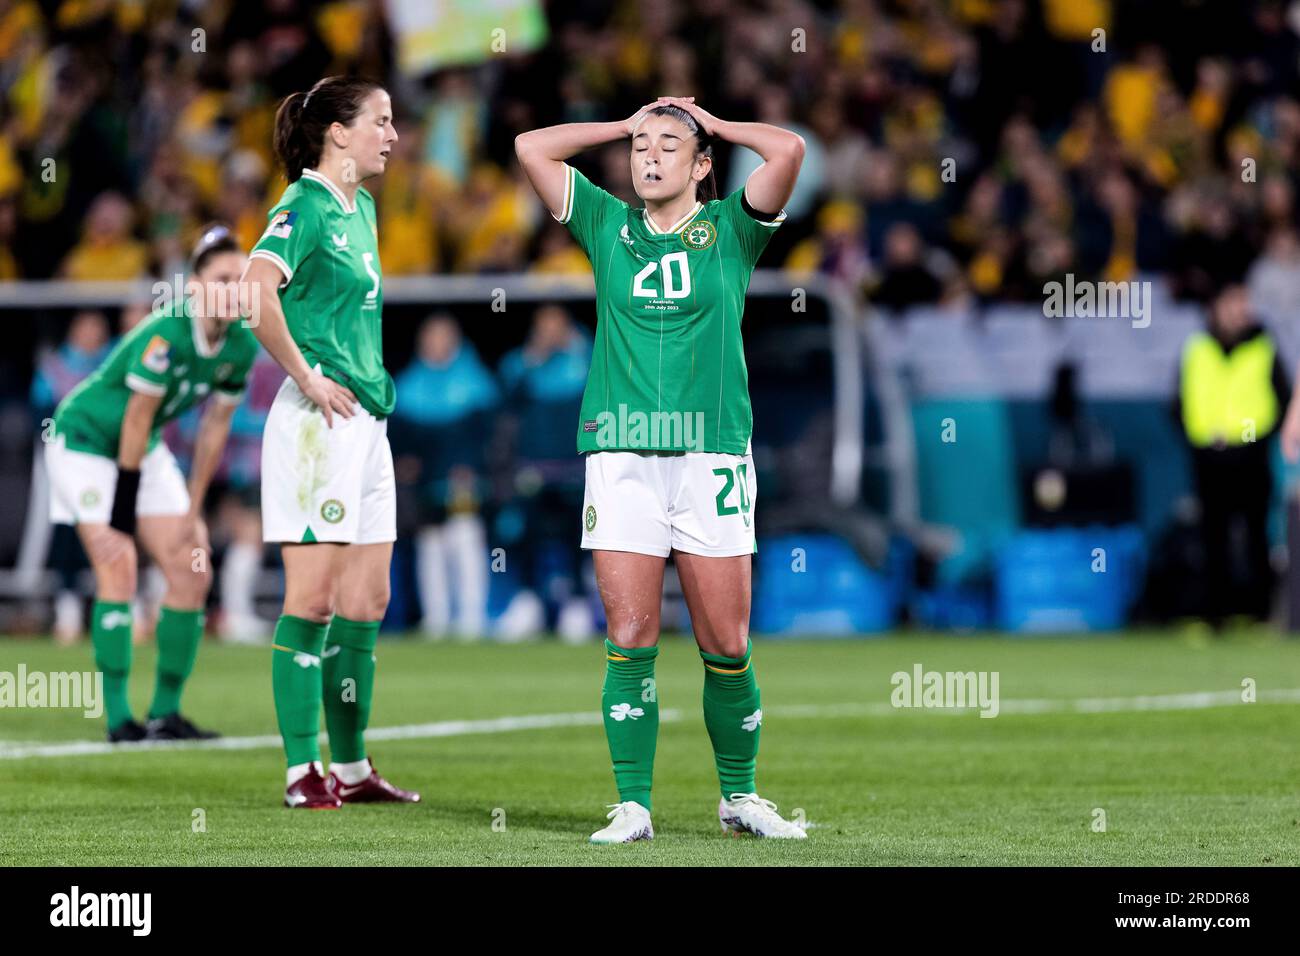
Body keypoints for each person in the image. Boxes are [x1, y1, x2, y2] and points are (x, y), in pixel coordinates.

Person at [515, 96, 808, 841]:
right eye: (640, 146)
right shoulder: (606, 224)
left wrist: (712, 118)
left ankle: (740, 797)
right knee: (631, 631)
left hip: (712, 454)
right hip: (621, 455)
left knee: (727, 643)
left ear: (703, 165)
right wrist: (620, 124)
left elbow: (789, 152)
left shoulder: (733, 231)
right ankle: (633, 805)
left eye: (669, 145)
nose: (648, 155)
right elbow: (531, 147)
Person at [240, 76, 418, 809]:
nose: (393, 134)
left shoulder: (363, 207)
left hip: (367, 423)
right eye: (380, 120)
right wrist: (307, 377)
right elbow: (254, 291)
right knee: (311, 602)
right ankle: (298, 771)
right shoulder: (305, 204)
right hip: (319, 426)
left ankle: (348, 767)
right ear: (338, 133)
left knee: (366, 600)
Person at [47, 224, 257, 741]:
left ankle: (165, 713)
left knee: (193, 568)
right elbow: (137, 417)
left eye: (242, 278)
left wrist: (194, 509)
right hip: (86, 444)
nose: (234, 288)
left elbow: (214, 428)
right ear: (194, 286)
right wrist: (123, 507)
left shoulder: (242, 347)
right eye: (222, 278)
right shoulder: (166, 333)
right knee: (117, 562)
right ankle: (119, 718)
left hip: (147, 451)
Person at [1181, 280, 1290, 624]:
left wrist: (1258, 436)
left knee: (1256, 534)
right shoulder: (1197, 348)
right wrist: (1199, 436)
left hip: (1251, 456)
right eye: (1232, 304)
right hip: (1208, 458)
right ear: (1216, 308)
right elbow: (1180, 400)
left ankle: (1259, 614)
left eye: (1244, 304)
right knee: (1213, 536)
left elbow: (1283, 398)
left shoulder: (1264, 347)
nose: (1239, 312)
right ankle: (1216, 616)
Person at [390, 314, 497, 639]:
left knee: (465, 539)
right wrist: (404, 464)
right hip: (422, 485)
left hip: (462, 481)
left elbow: (491, 436)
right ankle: (436, 619)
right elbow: (400, 438)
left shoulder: (476, 385)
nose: (436, 346)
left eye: (443, 338)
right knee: (430, 546)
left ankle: (471, 617)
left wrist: (474, 467)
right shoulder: (407, 387)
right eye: (430, 338)